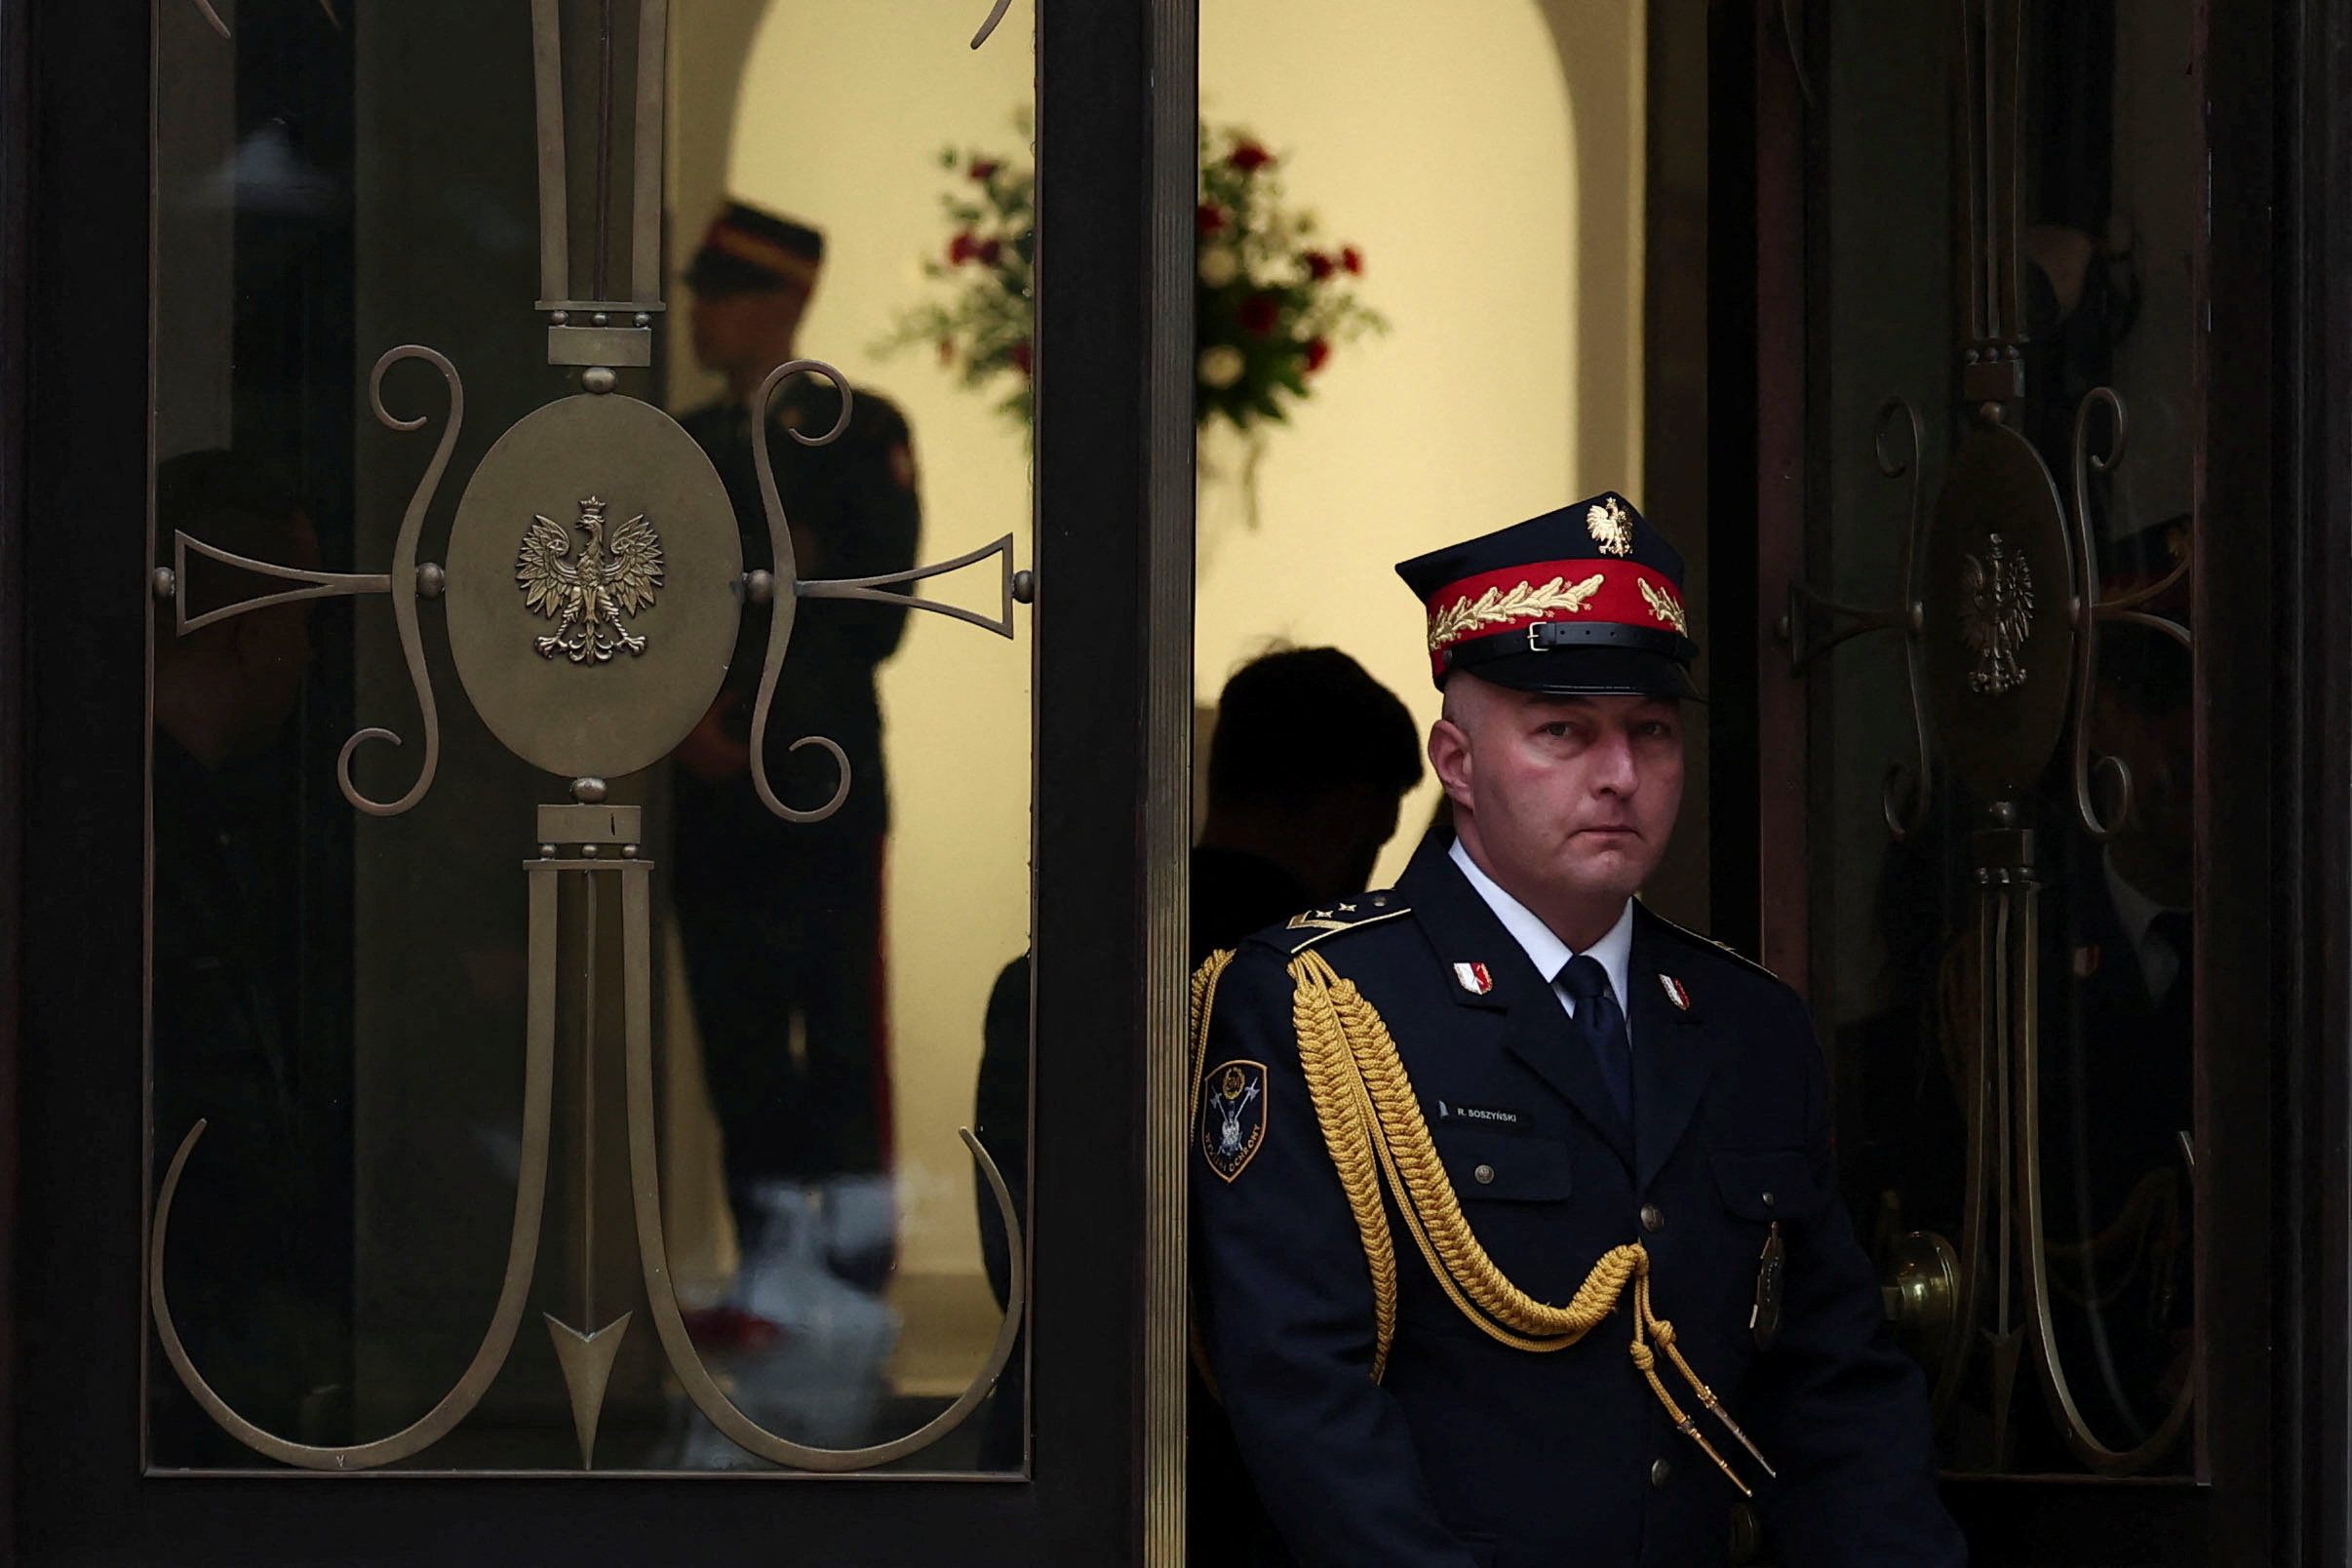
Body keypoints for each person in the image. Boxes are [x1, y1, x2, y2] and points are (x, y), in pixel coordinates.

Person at [1189, 495, 1965, 1565]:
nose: (1619, 775)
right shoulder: (1321, 1006)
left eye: (1651, 731)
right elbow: (1303, 1402)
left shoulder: (1748, 1023)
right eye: (1563, 731)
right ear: (1456, 763)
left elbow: (1833, 1389)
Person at [972, 647, 1424, 1505]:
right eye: (1377, 836)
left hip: (1056, 1455)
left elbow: (1018, 1253)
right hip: (1272, 1480)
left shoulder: (1045, 978)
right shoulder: (1344, 999)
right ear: (1350, 816)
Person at [669, 202, 921, 1321]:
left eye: (723, 294)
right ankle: (773, 1274)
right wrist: (688, 725)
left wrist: (746, 720)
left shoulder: (855, 431)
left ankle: (852, 1273)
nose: (699, 315)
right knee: (740, 1051)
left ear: (785, 303)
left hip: (817, 786)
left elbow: (868, 615)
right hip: (707, 791)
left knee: (837, 1044)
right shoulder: (681, 444)